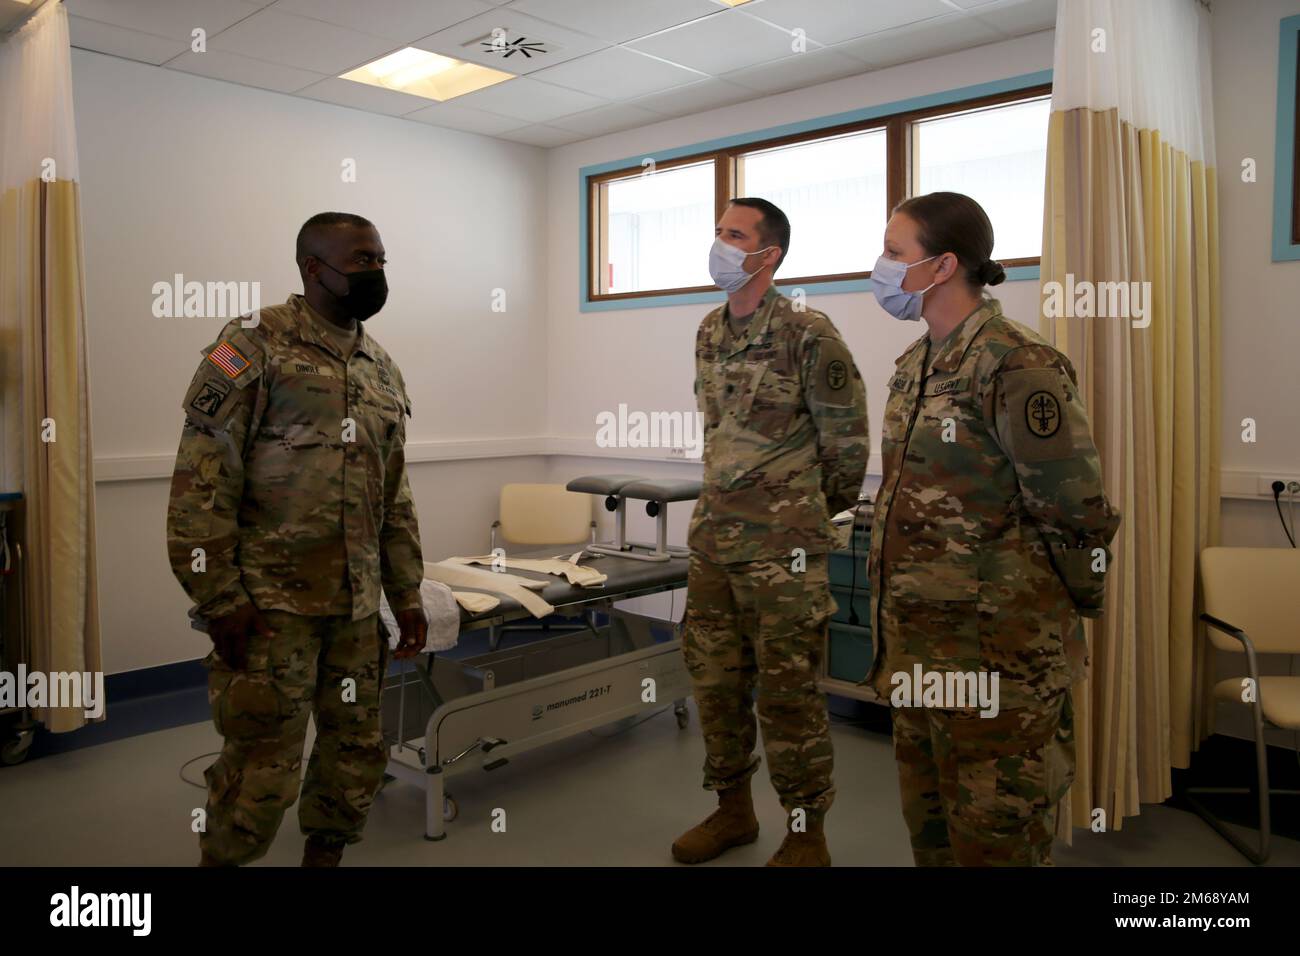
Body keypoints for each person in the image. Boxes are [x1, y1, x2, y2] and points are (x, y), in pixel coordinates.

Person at [865, 191, 1120, 866]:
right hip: (919, 648)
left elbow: (1075, 509)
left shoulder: (1017, 364)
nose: (881, 266)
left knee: (995, 835)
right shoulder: (916, 365)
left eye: (894, 251)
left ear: (944, 265)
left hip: (997, 658)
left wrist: (1056, 622)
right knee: (932, 830)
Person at [166, 212, 427, 867]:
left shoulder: (381, 368)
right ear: (314, 267)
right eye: (362, 260)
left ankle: (325, 858)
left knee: (354, 753)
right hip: (270, 609)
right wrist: (219, 598)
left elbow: (394, 493)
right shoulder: (254, 345)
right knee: (262, 762)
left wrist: (407, 592)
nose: (376, 271)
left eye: (381, 259)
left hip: (356, 608)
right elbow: (203, 478)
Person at [673, 198, 870, 867]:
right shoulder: (709, 330)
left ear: (769, 253)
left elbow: (847, 445)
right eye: (718, 232)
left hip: (783, 555)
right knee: (715, 686)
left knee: (789, 696)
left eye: (735, 235)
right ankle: (733, 810)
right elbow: (716, 433)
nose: (720, 244)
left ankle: (806, 832)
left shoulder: (808, 333)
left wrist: (797, 517)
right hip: (713, 546)